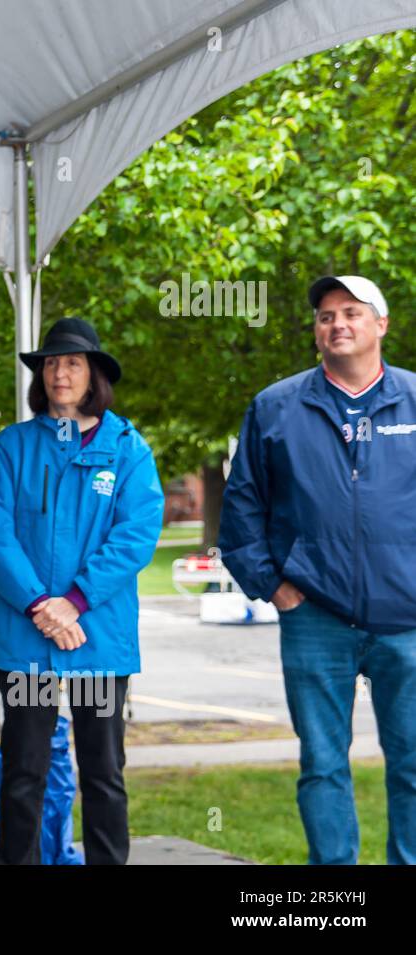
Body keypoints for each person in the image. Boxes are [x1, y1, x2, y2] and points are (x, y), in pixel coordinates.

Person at [220, 275, 416, 865]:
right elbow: (241, 513)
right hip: (315, 619)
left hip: (407, 621)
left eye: (352, 313)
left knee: (412, 763)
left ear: (380, 325)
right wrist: (276, 589)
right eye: (327, 316)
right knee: (323, 764)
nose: (338, 324)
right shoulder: (277, 407)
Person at [0, 317, 163, 865]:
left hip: (97, 638)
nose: (60, 373)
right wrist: (40, 604)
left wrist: (74, 602)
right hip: (26, 635)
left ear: (94, 375)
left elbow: (134, 536)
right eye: (52, 363)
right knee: (23, 771)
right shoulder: (12, 447)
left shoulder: (128, 450)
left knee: (103, 771)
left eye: (73, 363)